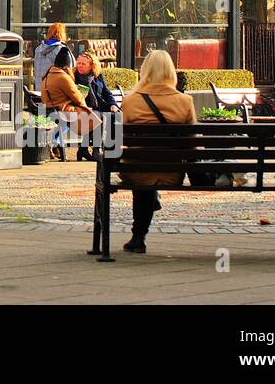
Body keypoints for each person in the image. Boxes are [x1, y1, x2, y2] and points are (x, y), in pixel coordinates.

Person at [118, 50, 195, 254]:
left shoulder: (130, 100)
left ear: (145, 71)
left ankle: (138, 237)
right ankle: (140, 231)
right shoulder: (185, 101)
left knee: (143, 173)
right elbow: (191, 143)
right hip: (172, 172)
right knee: (150, 172)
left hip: (136, 170)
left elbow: (120, 139)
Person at [40, 44, 98, 161]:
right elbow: (77, 97)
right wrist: (86, 107)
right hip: (63, 110)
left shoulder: (48, 74)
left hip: (51, 109)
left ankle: (84, 150)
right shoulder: (62, 77)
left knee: (93, 117)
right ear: (66, 65)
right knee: (96, 119)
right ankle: (87, 150)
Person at [72, 51, 116, 160]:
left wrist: (113, 104)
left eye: (83, 64)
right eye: (79, 63)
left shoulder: (97, 76)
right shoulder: (73, 77)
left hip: (99, 107)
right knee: (96, 117)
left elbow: (106, 93)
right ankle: (96, 150)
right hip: (82, 109)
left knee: (115, 116)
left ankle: (110, 150)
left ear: (92, 66)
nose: (80, 66)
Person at [33, 23, 67, 92]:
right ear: (62, 34)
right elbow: (68, 71)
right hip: (56, 93)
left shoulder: (38, 49)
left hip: (39, 91)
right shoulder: (61, 49)